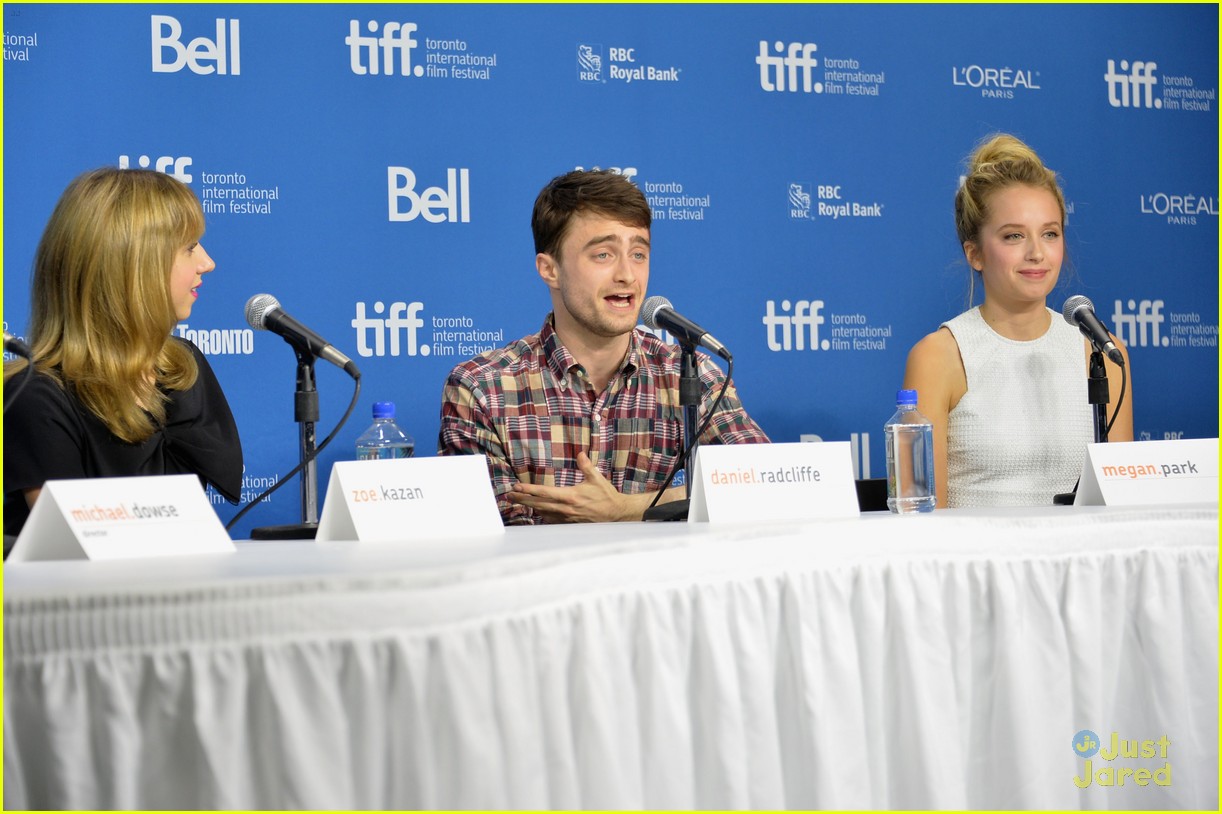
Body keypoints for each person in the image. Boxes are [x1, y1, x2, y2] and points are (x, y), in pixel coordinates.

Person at [439, 169, 769, 524]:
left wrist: (624, 509)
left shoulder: (691, 375)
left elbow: (764, 483)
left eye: (639, 254)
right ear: (549, 269)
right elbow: (487, 532)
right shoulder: (482, 388)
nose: (627, 275)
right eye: (603, 255)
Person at [3, 167, 243, 538]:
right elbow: (65, 554)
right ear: (133, 265)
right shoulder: (36, 399)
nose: (207, 263)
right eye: (190, 247)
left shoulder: (181, 370)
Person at [902, 134, 1133, 508]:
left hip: (1086, 564)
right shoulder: (939, 356)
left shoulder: (1104, 350)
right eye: (1013, 236)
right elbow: (924, 521)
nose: (1036, 253)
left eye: (1050, 234)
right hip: (977, 565)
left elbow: (1123, 504)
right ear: (975, 253)